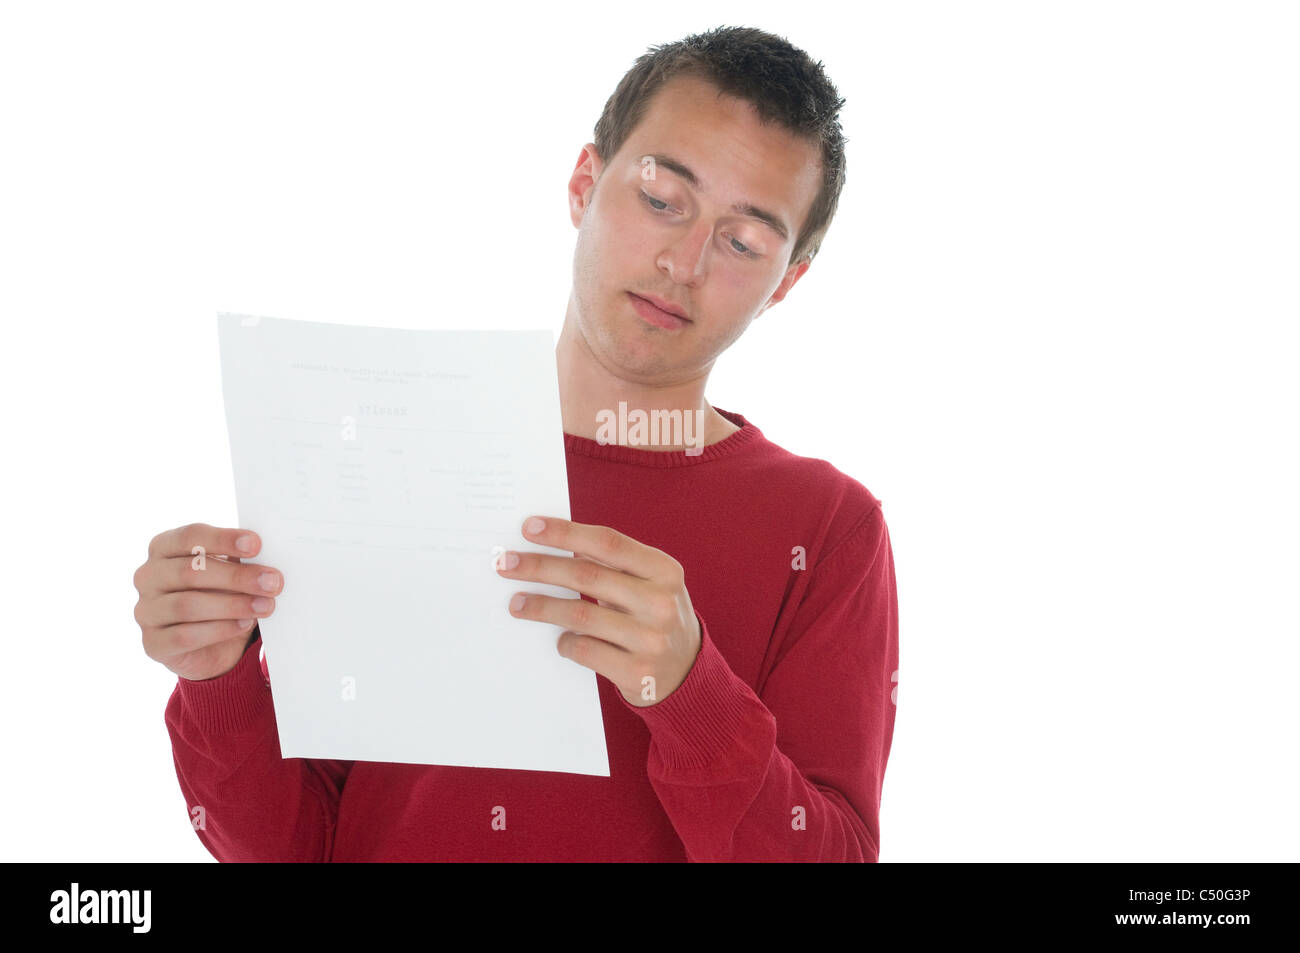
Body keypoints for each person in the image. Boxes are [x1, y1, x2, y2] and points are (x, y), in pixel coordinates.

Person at [135, 24, 899, 862]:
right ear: (584, 183)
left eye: (743, 242)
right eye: (659, 199)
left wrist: (691, 691)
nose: (684, 262)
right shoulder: (390, 451)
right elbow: (299, 845)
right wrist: (218, 680)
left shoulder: (829, 530)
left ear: (786, 281)